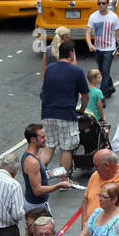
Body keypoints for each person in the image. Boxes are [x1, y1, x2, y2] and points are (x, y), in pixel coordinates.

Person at [39, 40, 89, 175]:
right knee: (66, 149)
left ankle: (36, 174)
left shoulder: (49, 69)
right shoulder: (76, 71)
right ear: (71, 53)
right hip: (66, 113)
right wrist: (82, 110)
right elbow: (85, 95)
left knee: (49, 146)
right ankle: (63, 180)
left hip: (47, 112)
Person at [85, 0, 119, 98]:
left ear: (107, 4)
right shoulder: (93, 16)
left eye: (103, 3)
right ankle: (110, 88)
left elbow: (118, 34)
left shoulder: (113, 17)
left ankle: (102, 96)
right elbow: (88, 32)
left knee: (104, 73)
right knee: (103, 71)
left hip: (109, 49)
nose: (101, 5)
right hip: (98, 49)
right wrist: (90, 44)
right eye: (99, 3)